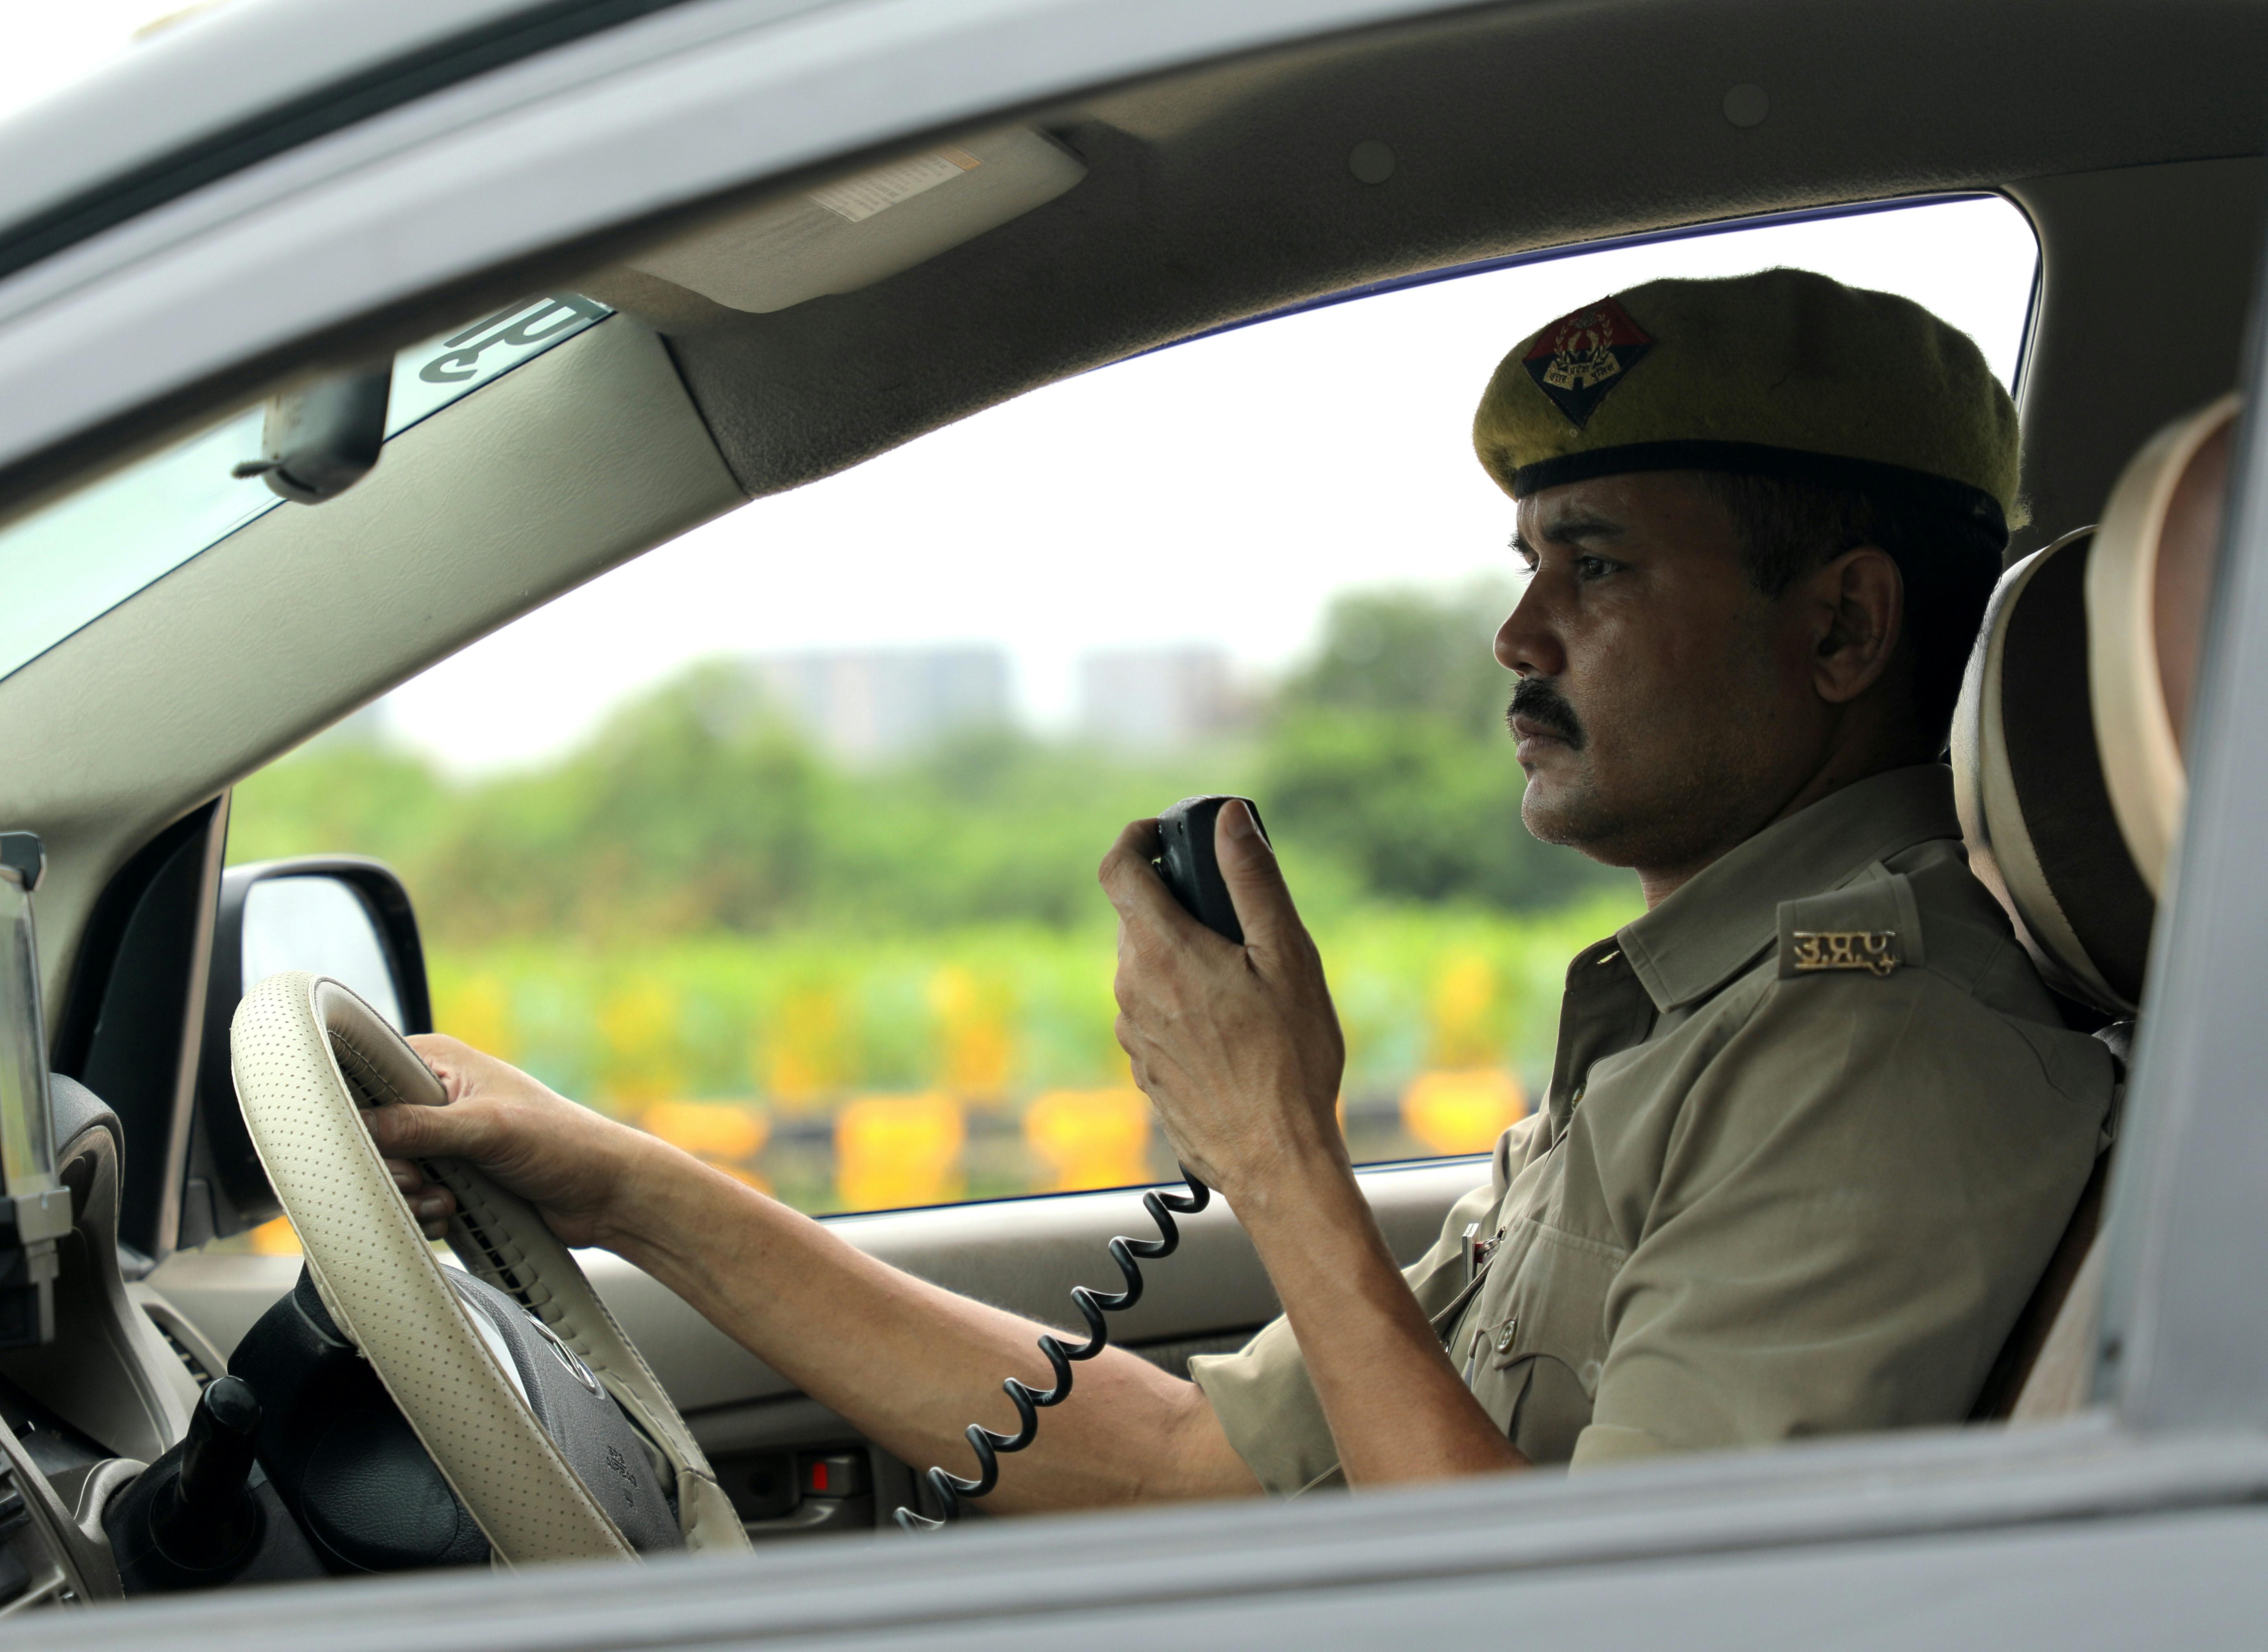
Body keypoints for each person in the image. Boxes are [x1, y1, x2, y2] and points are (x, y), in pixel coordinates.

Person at [364, 268, 2115, 1505]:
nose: (1516, 635)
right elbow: (1181, 1466)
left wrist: (1279, 1151)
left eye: (1597, 565)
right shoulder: (1713, 1022)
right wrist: (626, 1183)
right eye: (1526, 565)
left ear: (1842, 626)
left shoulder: (1883, 1058)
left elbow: (1600, 1627)